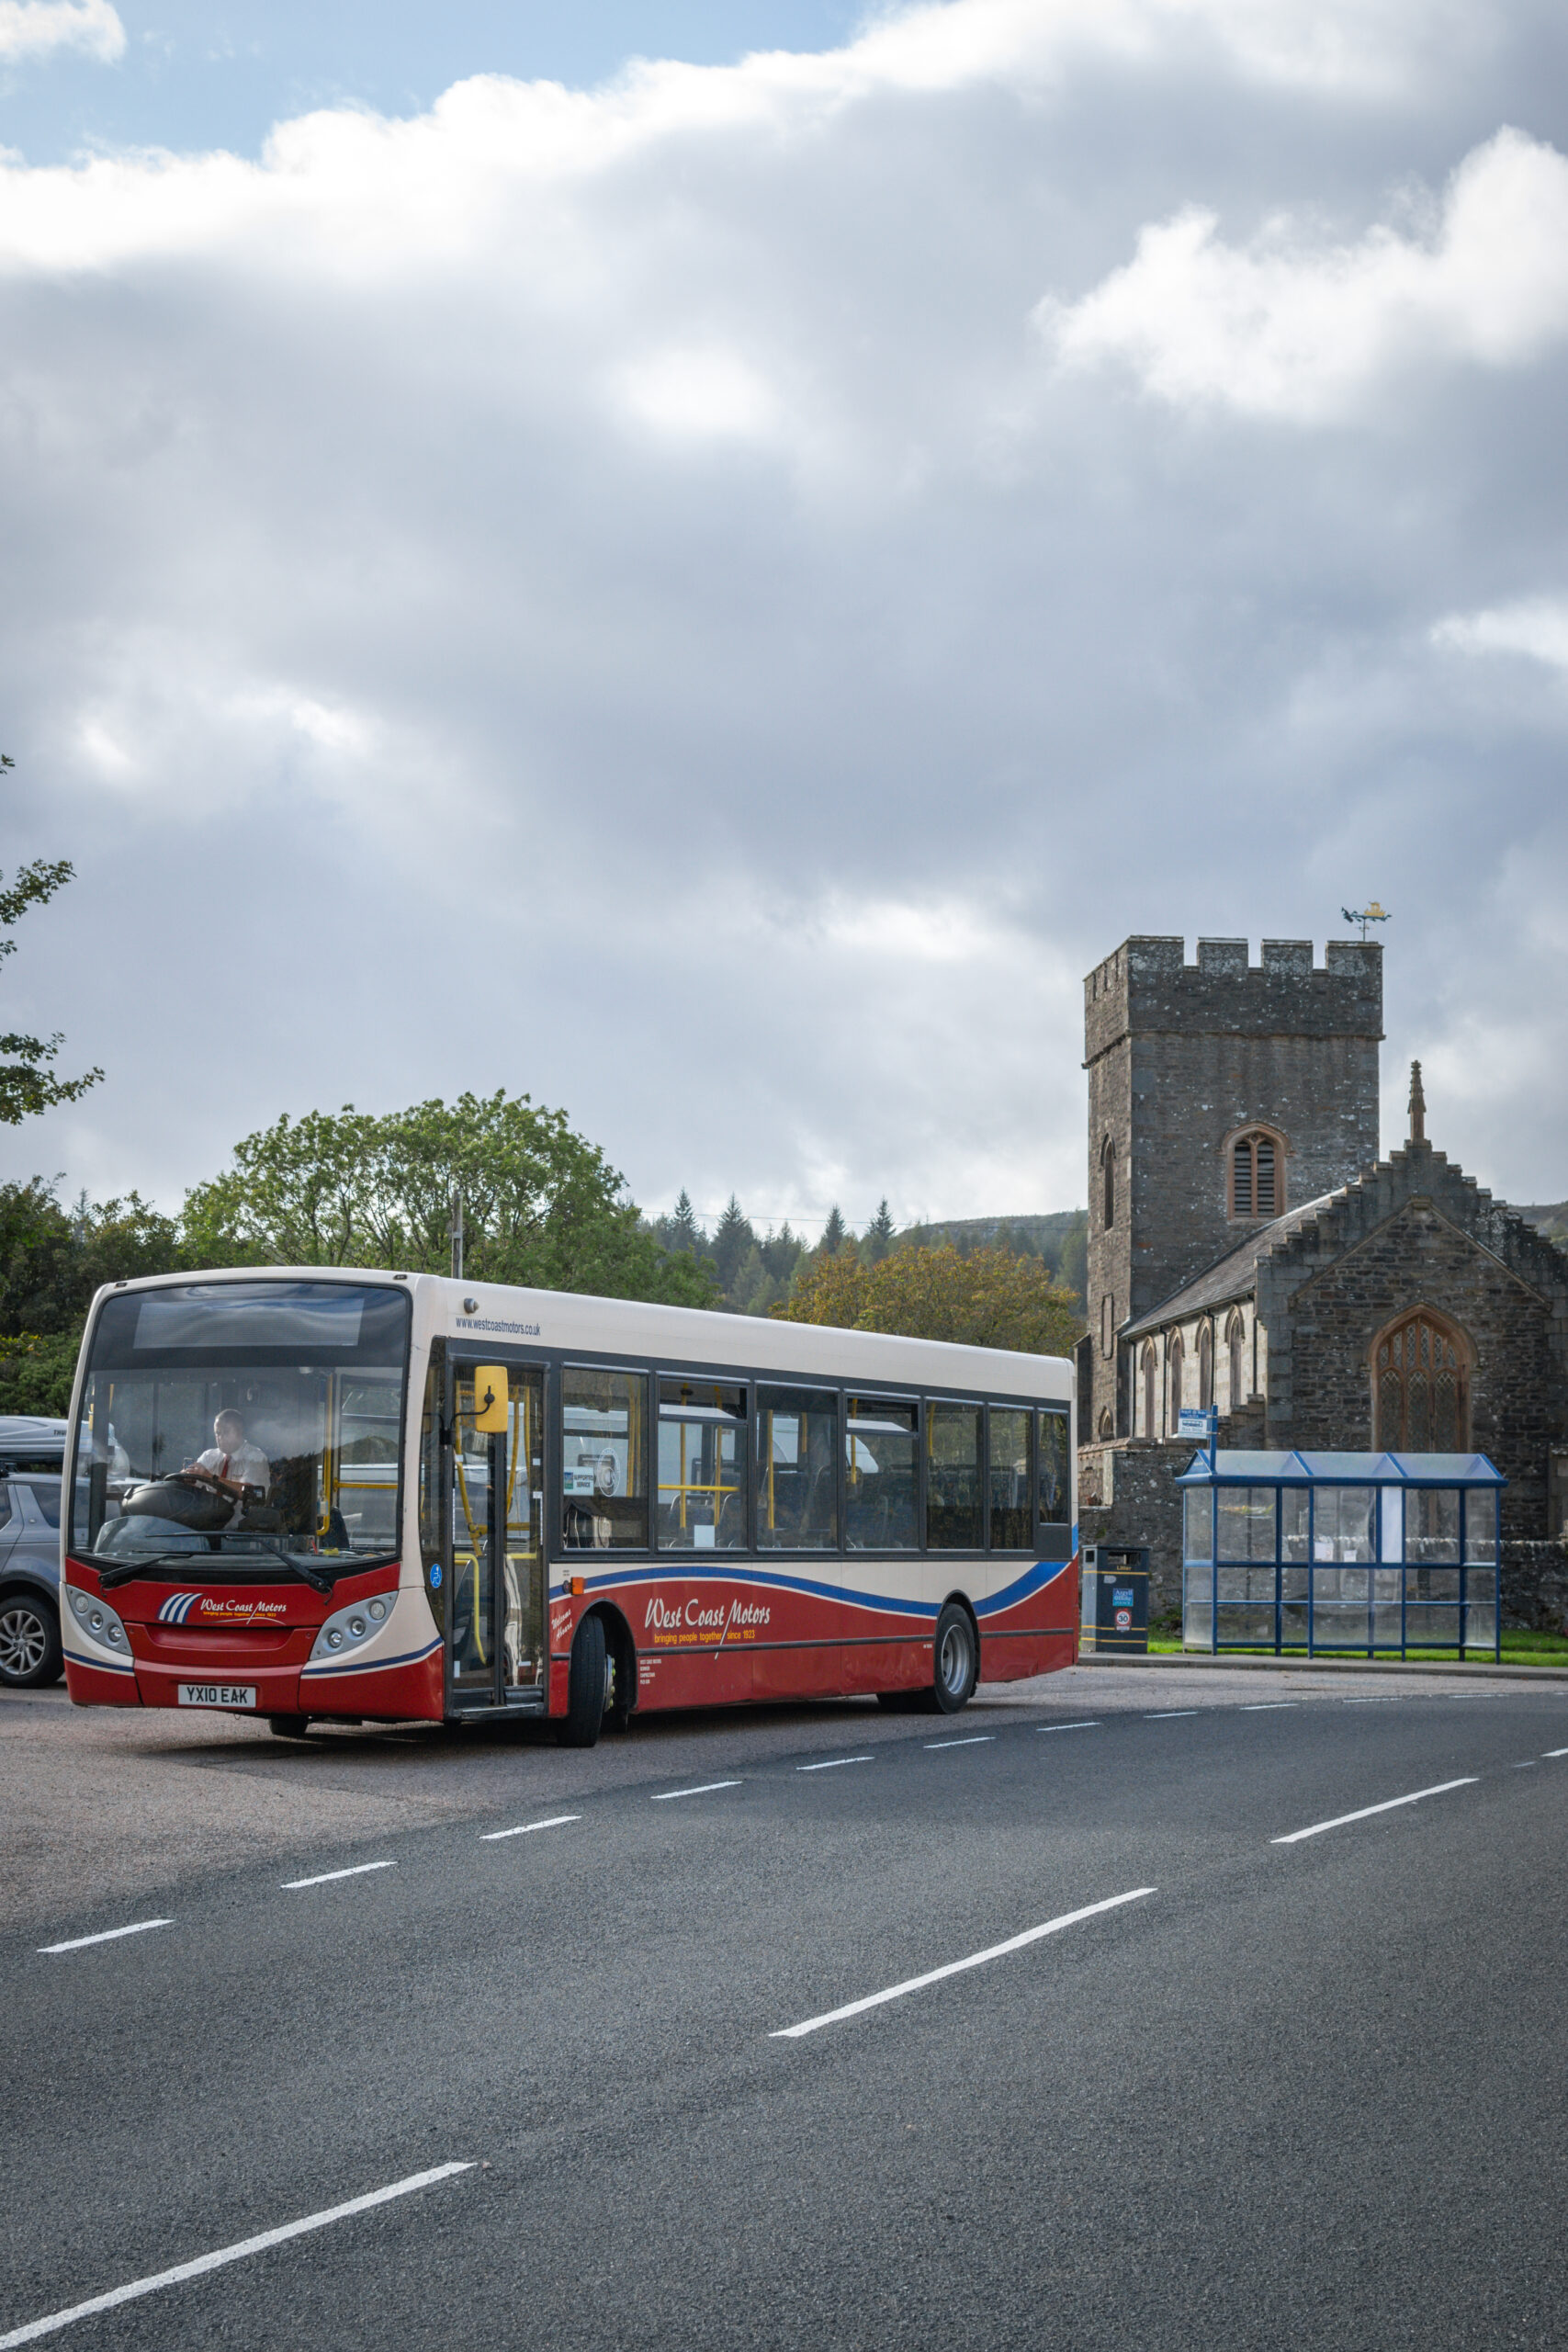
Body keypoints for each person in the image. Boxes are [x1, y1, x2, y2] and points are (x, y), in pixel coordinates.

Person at [191, 1408, 270, 1500]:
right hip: (210, 1514)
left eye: (226, 1432)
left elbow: (252, 1494)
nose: (220, 1438)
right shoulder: (208, 1456)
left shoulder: (256, 1458)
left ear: (240, 1432)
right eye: (218, 1433)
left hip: (243, 1515)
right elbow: (191, 1485)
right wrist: (187, 1478)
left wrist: (210, 1478)